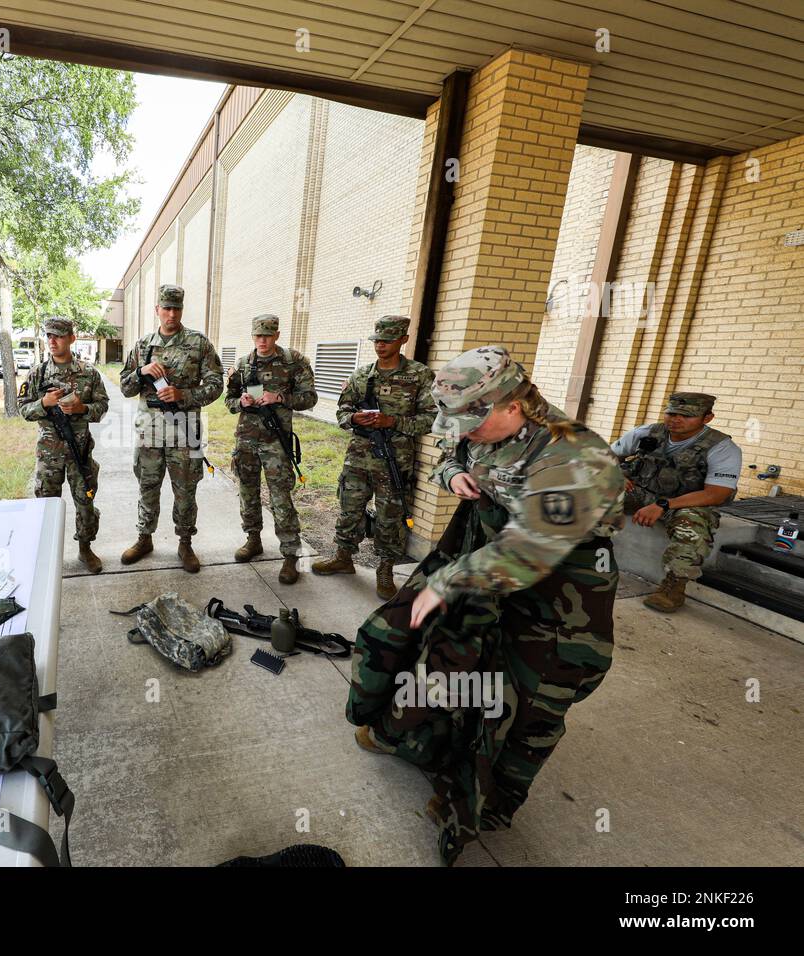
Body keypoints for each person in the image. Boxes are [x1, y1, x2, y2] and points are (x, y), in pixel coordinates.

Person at [345, 346, 625, 865]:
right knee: (432, 650)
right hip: (480, 553)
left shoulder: (574, 459)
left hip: (559, 594)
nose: (462, 429)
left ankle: (483, 806)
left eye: (472, 421)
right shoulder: (475, 418)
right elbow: (451, 452)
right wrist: (452, 475)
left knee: (529, 706)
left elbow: (531, 551)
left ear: (514, 405)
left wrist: (447, 581)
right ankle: (412, 737)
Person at [312, 316, 436, 598]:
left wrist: (392, 422)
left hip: (395, 459)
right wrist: (354, 417)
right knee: (349, 508)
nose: (380, 345)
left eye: (387, 340)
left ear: (403, 340)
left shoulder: (419, 375)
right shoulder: (361, 375)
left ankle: (385, 569)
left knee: (389, 516)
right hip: (358, 457)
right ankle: (343, 557)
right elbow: (342, 412)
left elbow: (431, 419)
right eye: (377, 340)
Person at [118, 284, 224, 572]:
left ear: (181, 310)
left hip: (184, 432)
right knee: (147, 487)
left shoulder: (198, 343)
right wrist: (141, 372)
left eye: (176, 308)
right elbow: (125, 387)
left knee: (186, 491)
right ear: (157, 310)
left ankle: (185, 543)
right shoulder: (143, 346)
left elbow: (216, 385)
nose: (171, 313)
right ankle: (144, 538)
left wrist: (184, 395)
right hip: (149, 432)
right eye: (166, 308)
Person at [611, 393, 741, 612]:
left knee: (693, 526)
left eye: (686, 415)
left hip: (685, 503)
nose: (676, 419)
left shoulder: (722, 448)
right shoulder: (646, 432)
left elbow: (716, 494)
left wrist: (663, 506)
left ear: (707, 418)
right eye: (671, 413)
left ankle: (674, 586)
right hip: (641, 491)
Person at [223, 313, 316, 584]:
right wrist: (240, 402)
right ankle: (253, 540)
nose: (262, 341)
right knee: (247, 493)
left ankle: (290, 555)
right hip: (246, 441)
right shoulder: (243, 364)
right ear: (252, 336)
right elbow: (228, 400)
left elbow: (310, 398)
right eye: (257, 335)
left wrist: (280, 398)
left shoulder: (293, 362)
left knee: (280, 498)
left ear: (276, 335)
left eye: (267, 335)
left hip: (276, 442)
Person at [18, 316, 109, 573]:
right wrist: (43, 404)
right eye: (49, 336)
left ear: (71, 337)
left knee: (85, 501)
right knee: (46, 505)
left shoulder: (88, 373)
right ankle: (48, 554)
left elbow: (102, 408)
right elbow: (23, 410)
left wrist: (82, 408)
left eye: (58, 335)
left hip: (80, 451)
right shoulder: (37, 373)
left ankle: (85, 549)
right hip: (49, 455)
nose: (53, 341)